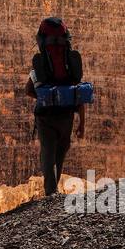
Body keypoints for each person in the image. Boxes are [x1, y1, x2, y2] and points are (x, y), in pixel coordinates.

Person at [25, 17, 86, 196]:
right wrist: (82, 124)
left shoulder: (40, 64)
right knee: (60, 151)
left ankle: (50, 191)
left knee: (48, 151)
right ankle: (53, 189)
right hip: (66, 115)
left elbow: (28, 90)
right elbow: (79, 94)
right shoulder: (71, 64)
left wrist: (45, 95)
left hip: (45, 115)